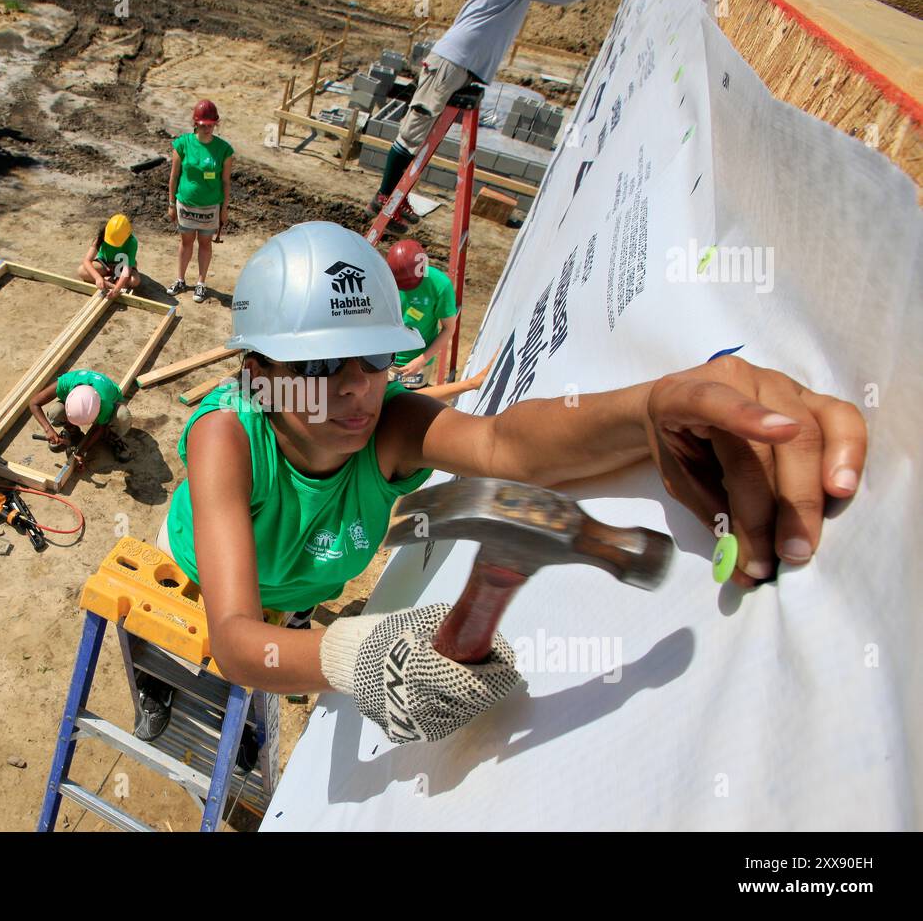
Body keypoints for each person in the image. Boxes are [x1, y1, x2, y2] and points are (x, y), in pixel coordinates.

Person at [133, 220, 866, 746]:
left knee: (274, 652)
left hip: (292, 593)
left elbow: (505, 442)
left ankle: (256, 700)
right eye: (323, 369)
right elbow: (232, 638)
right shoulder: (227, 434)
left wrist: (651, 405)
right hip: (200, 575)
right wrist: (355, 652)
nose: (357, 391)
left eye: (375, 359)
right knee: (185, 660)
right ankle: (158, 696)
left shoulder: (388, 428)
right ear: (259, 379)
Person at [369, 0, 642, 228]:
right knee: (413, 135)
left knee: (423, 139)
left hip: (461, 65)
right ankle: (384, 197)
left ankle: (396, 197)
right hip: (451, 62)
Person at [166, 99, 234, 304]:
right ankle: (180, 279)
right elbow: (174, 176)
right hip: (185, 204)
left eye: (210, 125)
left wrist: (224, 209)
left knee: (205, 243)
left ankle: (201, 283)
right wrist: (171, 204)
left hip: (210, 206)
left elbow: (226, 182)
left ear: (216, 123)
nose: (206, 129)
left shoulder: (224, 150)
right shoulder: (182, 144)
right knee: (186, 242)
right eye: (202, 125)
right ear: (195, 123)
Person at [386, 239, 457, 389]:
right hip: (383, 359)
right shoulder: (384, 279)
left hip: (416, 365)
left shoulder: (439, 285)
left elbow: (449, 328)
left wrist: (421, 360)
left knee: (410, 407)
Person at [28, 368, 133, 463]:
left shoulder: (105, 402)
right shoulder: (65, 382)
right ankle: (74, 433)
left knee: (122, 416)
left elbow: (99, 428)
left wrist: (82, 451)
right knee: (56, 412)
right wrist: (48, 430)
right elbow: (34, 403)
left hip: (109, 399)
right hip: (87, 395)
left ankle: (112, 437)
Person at [79, 214, 141, 301]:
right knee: (82, 271)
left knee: (134, 281)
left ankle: (110, 281)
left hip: (122, 267)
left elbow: (127, 269)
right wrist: (97, 277)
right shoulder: (101, 237)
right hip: (105, 264)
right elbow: (86, 261)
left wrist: (116, 290)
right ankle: (110, 281)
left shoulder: (132, 242)